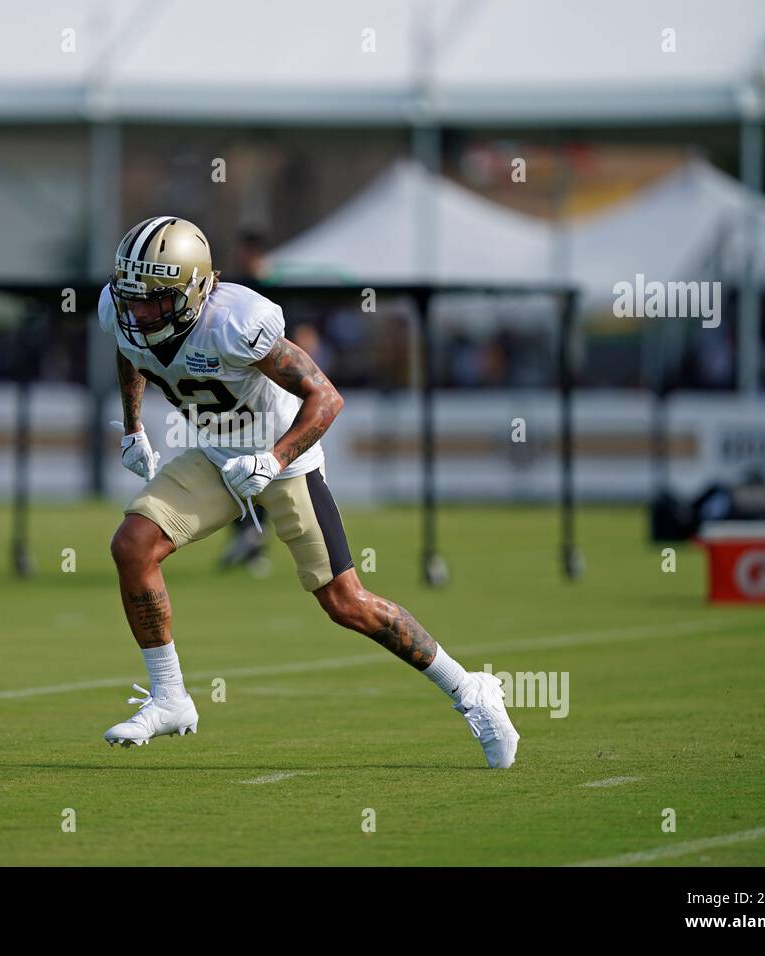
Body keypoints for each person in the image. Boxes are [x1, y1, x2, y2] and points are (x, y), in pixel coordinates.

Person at [99, 216, 519, 768]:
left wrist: (273, 460)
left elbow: (327, 397)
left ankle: (471, 691)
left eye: (156, 300)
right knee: (132, 546)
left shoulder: (235, 322)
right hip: (215, 453)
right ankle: (170, 697)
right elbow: (131, 352)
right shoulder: (122, 312)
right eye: (135, 298)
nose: (141, 311)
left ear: (196, 290)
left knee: (346, 603)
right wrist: (133, 427)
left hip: (284, 460)